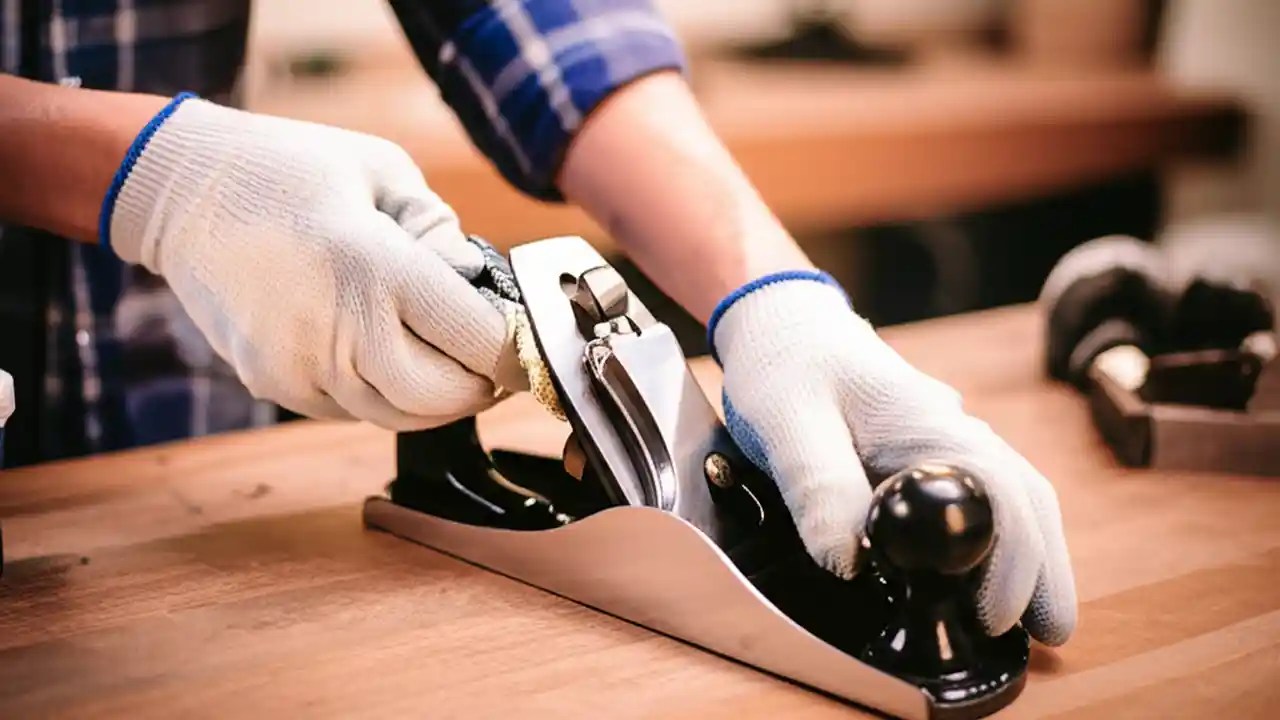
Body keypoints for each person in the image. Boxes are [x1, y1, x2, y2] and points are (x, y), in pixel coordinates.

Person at [0, 1, 1074, 647]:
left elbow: (545, 24)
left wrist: (767, 292)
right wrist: (161, 180)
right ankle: (440, 471)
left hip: (181, 502)